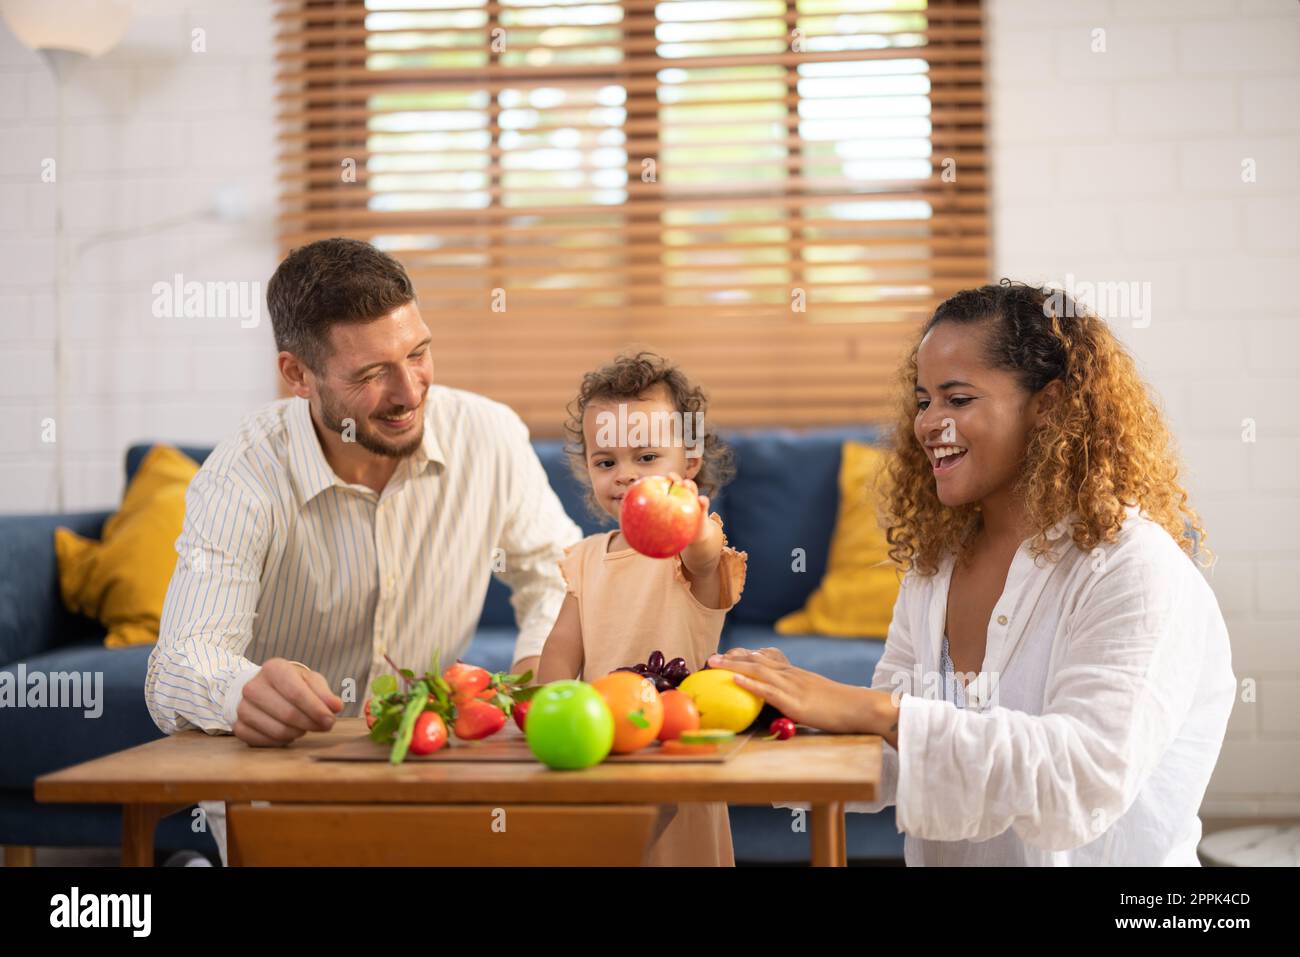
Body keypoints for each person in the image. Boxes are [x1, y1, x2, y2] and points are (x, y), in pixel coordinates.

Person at [718, 280, 1236, 866]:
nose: (928, 424)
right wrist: (781, 716)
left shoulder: (1133, 567)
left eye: (958, 399)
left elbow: (1082, 779)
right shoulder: (934, 565)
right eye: (923, 402)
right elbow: (898, 756)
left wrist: (875, 711)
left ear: (1049, 406)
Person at [145, 238, 581, 863]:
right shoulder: (243, 473)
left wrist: (542, 666)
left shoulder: (489, 436)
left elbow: (559, 576)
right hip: (282, 779)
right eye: (372, 374)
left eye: (418, 353)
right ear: (298, 375)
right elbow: (176, 666)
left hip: (430, 765)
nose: (409, 392)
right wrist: (241, 689)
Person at [538, 351, 746, 866]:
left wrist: (691, 521)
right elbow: (562, 647)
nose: (625, 476)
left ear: (689, 463)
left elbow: (705, 556)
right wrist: (547, 708)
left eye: (647, 458)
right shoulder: (586, 557)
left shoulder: (691, 547)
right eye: (606, 462)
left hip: (679, 752)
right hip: (601, 748)